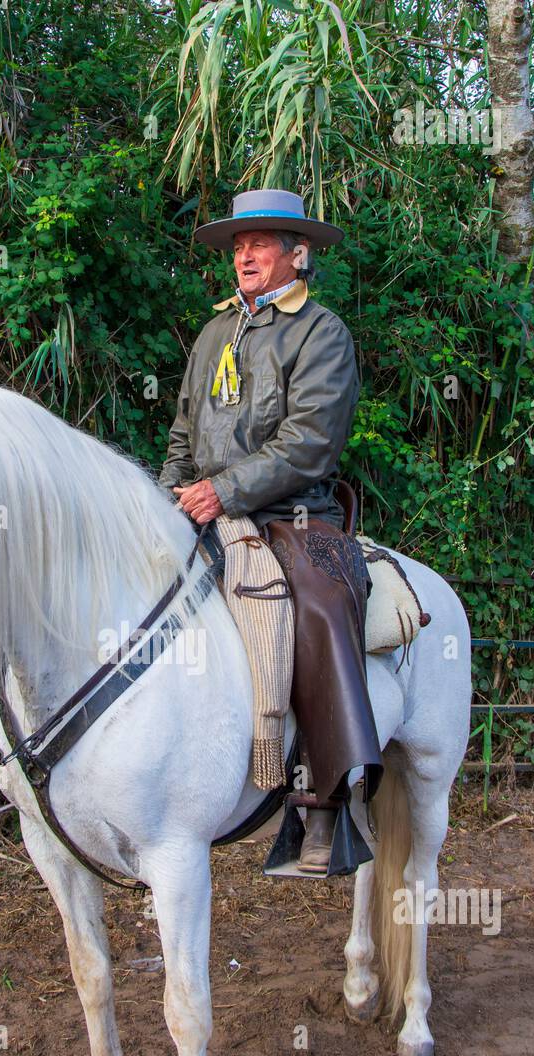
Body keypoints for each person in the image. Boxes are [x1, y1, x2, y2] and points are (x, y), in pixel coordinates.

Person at [159, 188, 381, 874]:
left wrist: (222, 490)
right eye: (238, 246)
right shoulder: (213, 332)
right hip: (201, 506)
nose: (245, 256)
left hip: (292, 514)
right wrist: (170, 493)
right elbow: (183, 429)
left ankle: (325, 799)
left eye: (261, 243)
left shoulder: (323, 333)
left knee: (316, 603)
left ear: (298, 253)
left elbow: (310, 442)